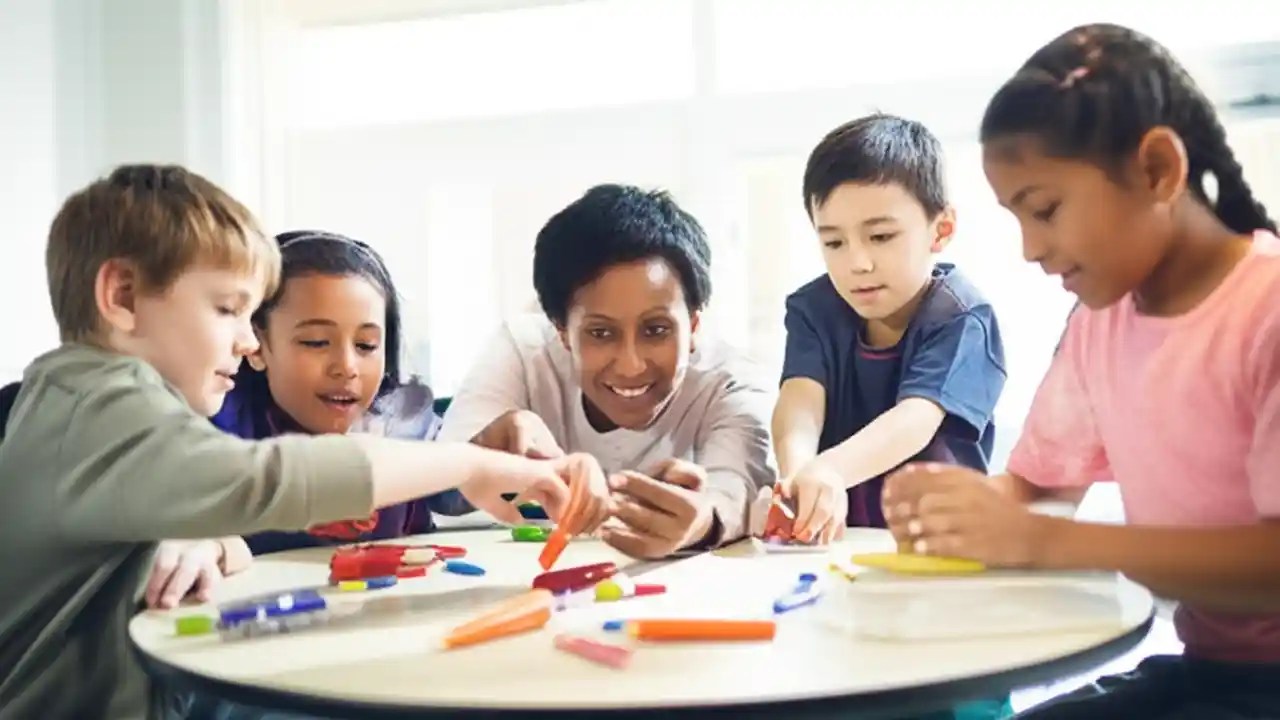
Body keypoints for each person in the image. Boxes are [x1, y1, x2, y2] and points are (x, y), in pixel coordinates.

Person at [0, 165, 593, 720]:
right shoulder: (103, 407)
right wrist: (468, 462)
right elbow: (270, 479)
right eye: (229, 309)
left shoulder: (79, 402)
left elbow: (197, 519)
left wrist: (208, 539)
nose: (245, 341)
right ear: (123, 296)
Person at [884, 24, 1280, 719]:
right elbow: (1040, 490)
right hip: (1212, 673)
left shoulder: (1267, 308)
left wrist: (1044, 542)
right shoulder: (1102, 323)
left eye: (1046, 210)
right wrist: (957, 510)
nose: (1032, 248)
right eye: (1018, 218)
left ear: (1158, 169)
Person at [441, 184, 775, 558]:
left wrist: (701, 522)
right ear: (562, 331)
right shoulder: (523, 351)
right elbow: (437, 490)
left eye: (656, 330)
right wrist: (480, 458)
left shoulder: (732, 381)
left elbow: (737, 489)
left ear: (694, 325)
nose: (631, 365)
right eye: (601, 333)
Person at [773, 114, 1006, 543]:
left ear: (942, 230)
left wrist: (828, 470)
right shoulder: (815, 308)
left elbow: (916, 418)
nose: (857, 263)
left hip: (941, 544)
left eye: (880, 237)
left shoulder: (961, 317)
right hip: (841, 540)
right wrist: (797, 473)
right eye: (834, 243)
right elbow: (800, 400)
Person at [211, 230, 471, 557]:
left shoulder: (401, 419)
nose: (347, 367)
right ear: (257, 345)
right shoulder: (220, 430)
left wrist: (498, 452)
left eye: (366, 346)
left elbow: (457, 488)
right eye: (316, 342)